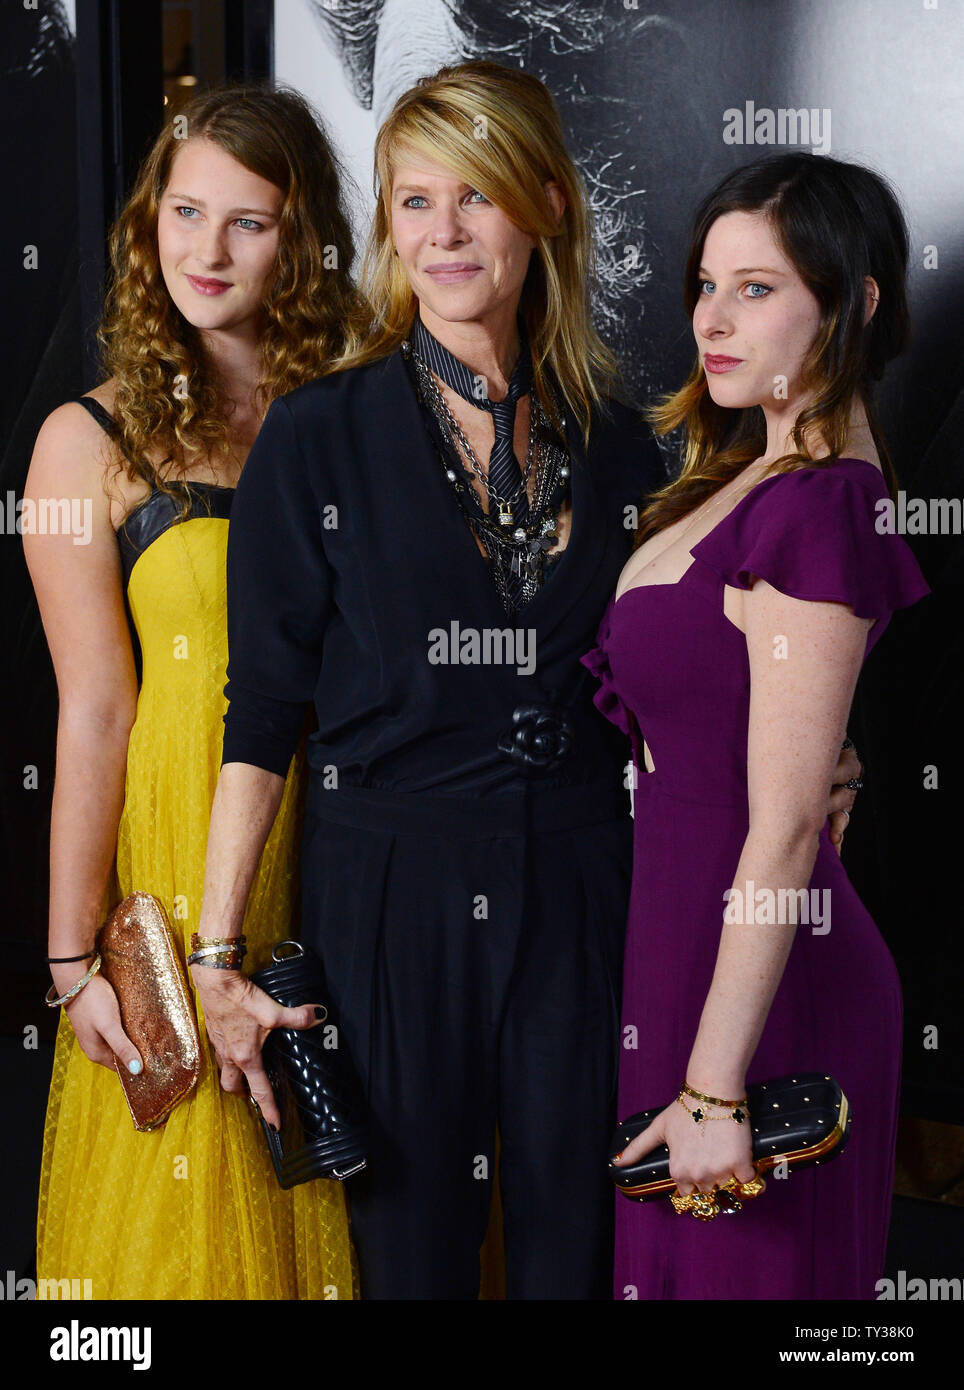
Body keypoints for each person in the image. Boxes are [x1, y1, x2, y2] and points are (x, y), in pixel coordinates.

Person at [194, 64, 860, 1300]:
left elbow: (717, 635)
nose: (443, 233)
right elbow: (261, 711)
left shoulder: (622, 436)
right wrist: (214, 952)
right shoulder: (318, 434)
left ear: (544, 203)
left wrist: (819, 743)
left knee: (580, 1249)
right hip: (387, 896)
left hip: (583, 884)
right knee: (413, 1263)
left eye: (476, 196)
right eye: (413, 202)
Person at [23, 85, 360, 1299]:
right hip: (173, 872)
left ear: (303, 239)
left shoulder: (360, 413)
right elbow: (94, 713)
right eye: (183, 211)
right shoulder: (85, 444)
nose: (205, 252)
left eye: (249, 223)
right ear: (146, 219)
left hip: (348, 853)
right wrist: (72, 963)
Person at [599, 152, 930, 1299]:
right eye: (706, 284)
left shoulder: (827, 502)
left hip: (762, 992)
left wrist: (713, 1084)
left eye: (757, 288)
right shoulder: (755, 472)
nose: (713, 319)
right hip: (688, 953)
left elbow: (786, 828)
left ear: (853, 302)